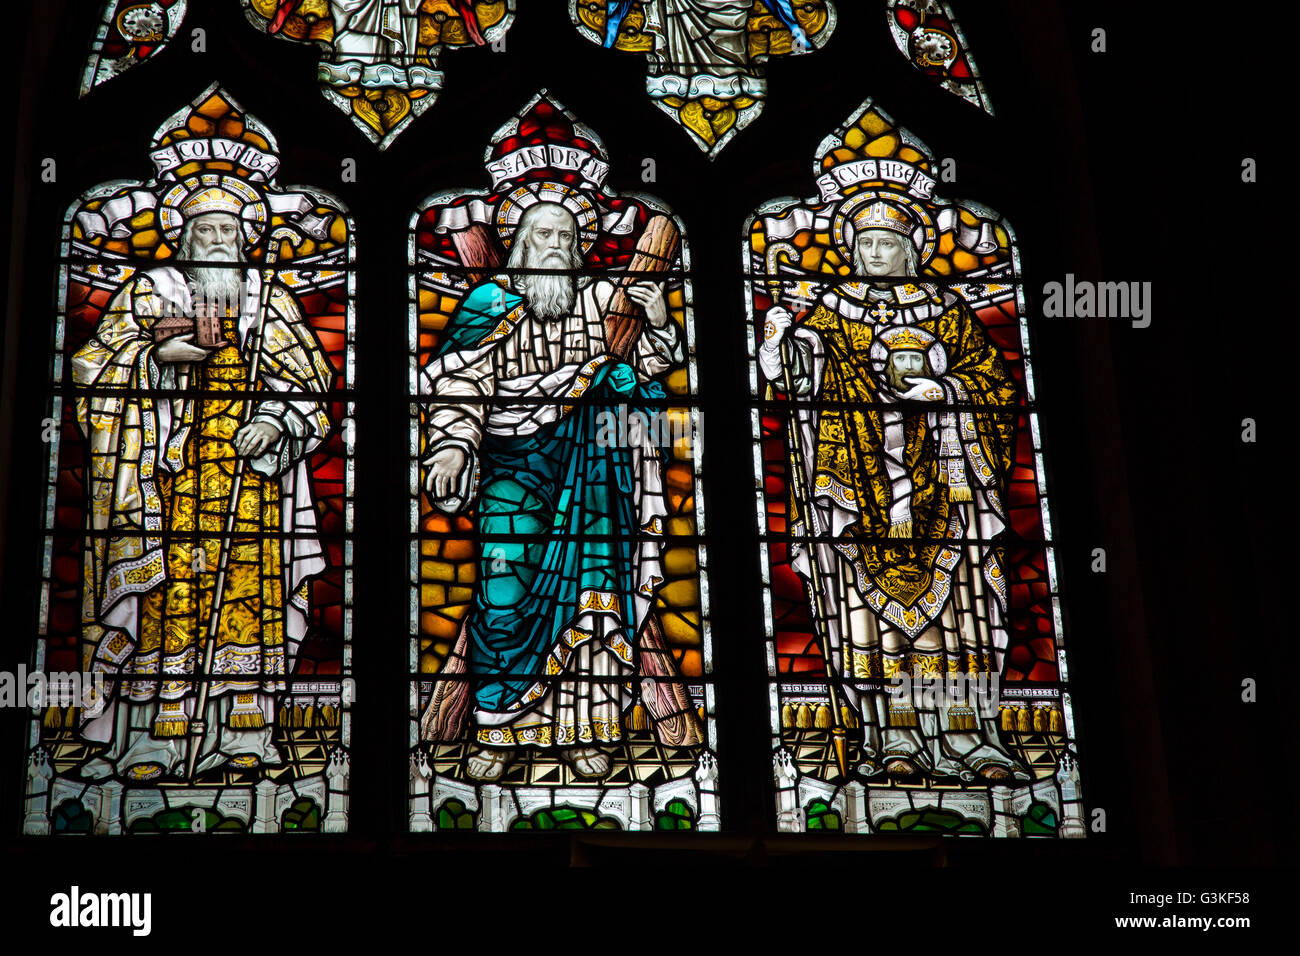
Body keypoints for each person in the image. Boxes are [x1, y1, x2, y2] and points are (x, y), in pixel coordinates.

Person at [758, 197, 1029, 783]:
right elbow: (792, 378)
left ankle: (966, 735)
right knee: (870, 624)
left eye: (886, 244)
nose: (874, 254)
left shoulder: (948, 312)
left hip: (948, 491)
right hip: (858, 490)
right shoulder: (830, 311)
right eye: (865, 244)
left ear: (910, 249)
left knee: (959, 619)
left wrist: (947, 390)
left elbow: (995, 388)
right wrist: (781, 339)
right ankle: (892, 736)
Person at [418, 199, 687, 782]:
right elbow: (459, 381)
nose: (555, 244)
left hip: (593, 471)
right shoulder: (490, 304)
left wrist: (661, 322)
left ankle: (584, 730)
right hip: (512, 469)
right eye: (543, 234)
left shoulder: (603, 302)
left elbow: (653, 381)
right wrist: (453, 445)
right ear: (520, 243)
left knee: (594, 600)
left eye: (566, 236)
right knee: (503, 592)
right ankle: (495, 727)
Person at [74, 183, 333, 780]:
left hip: (252, 481)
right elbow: (91, 367)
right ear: (184, 239)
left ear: (246, 241)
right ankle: (155, 733)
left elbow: (310, 382)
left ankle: (246, 731)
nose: (219, 241)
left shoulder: (270, 300)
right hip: (167, 480)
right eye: (206, 232)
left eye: (229, 232)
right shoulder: (149, 291)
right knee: (167, 595)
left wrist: (275, 418)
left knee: (254, 593)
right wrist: (157, 362)